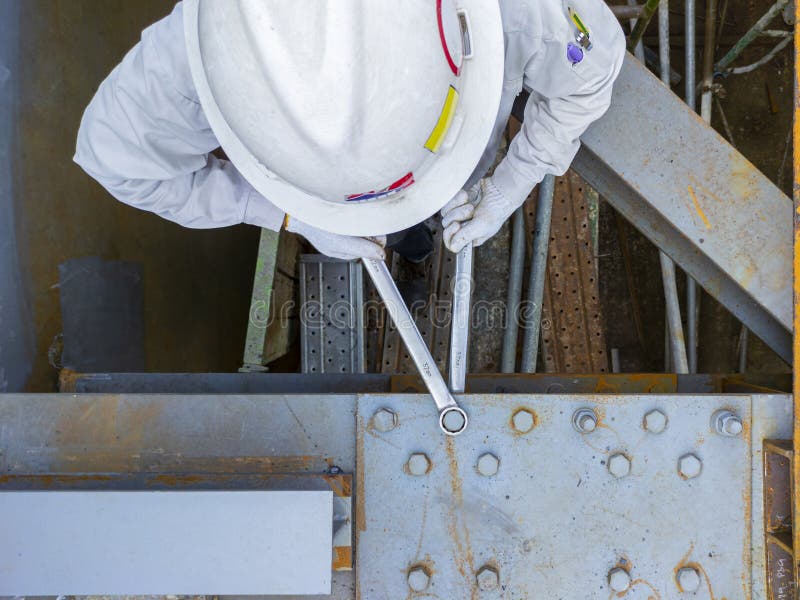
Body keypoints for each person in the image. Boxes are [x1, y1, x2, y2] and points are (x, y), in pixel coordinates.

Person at [75, 1, 624, 261]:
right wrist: (284, 214)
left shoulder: (528, 10)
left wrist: (512, 182)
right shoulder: (212, 46)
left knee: (418, 233)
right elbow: (119, 163)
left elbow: (591, 72)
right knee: (409, 240)